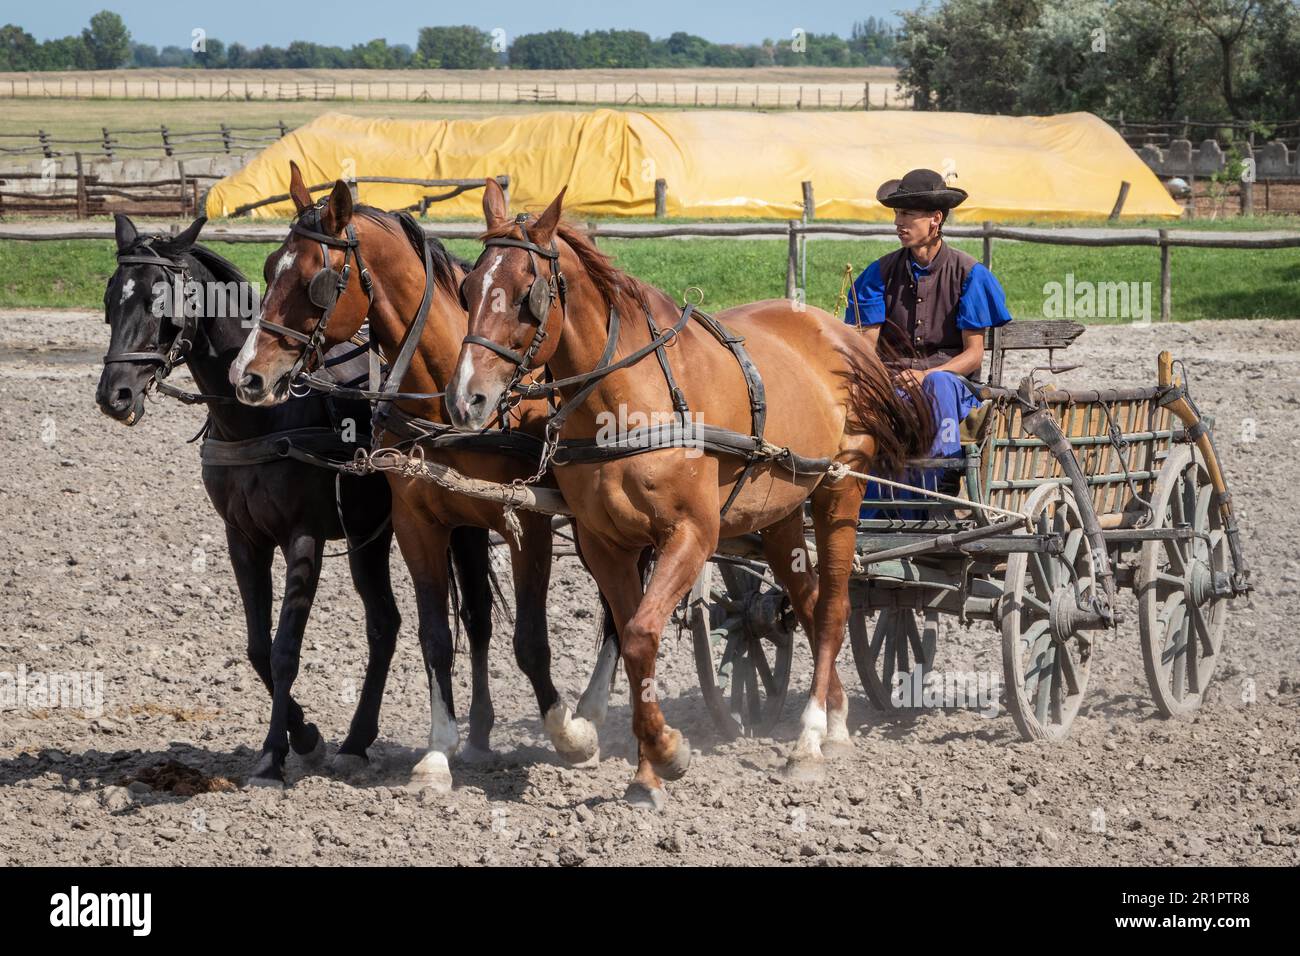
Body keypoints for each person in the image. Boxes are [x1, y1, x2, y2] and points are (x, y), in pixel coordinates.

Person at [844, 168, 1013, 517]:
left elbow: (973, 355)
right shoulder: (878, 274)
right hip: (895, 383)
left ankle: (938, 490)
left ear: (935, 219)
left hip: (954, 388)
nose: (898, 222)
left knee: (938, 383)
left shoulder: (969, 274)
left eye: (907, 214)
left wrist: (924, 375)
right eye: (896, 214)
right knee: (877, 396)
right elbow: (866, 347)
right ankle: (873, 507)